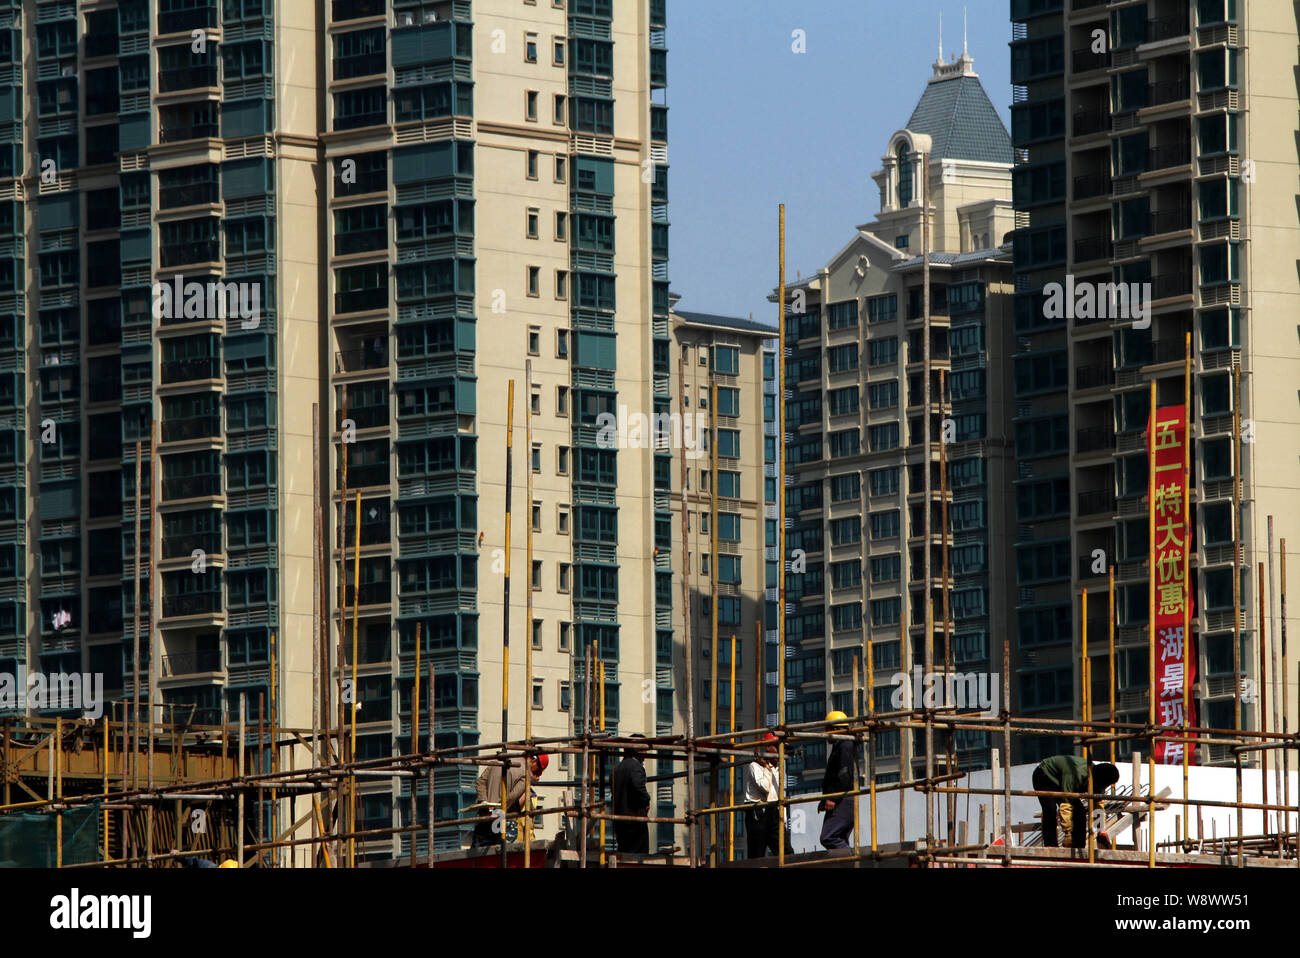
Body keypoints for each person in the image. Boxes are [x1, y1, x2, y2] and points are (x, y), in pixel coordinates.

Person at [1032, 755, 1119, 848]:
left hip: (1061, 780)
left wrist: (1101, 830)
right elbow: (1066, 804)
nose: (1104, 788)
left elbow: (1097, 806)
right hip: (1044, 775)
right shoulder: (1075, 774)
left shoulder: (1100, 783)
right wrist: (1068, 834)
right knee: (1050, 809)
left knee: (1080, 811)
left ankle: (1079, 846)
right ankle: (1051, 845)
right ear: (1097, 779)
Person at [471, 752, 548, 847]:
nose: (536, 774)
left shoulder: (498, 761)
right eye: (538, 770)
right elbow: (512, 798)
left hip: (484, 817)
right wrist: (498, 809)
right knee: (499, 855)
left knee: (478, 855)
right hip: (501, 821)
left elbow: (480, 782)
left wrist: (484, 802)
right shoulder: (526, 775)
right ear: (534, 761)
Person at [744, 732, 791, 858]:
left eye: (782, 748)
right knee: (757, 854)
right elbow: (765, 787)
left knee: (786, 852)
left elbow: (780, 794)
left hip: (774, 812)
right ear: (768, 747)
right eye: (777, 747)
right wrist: (766, 767)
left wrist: (784, 819)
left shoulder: (778, 768)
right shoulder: (755, 766)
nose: (780, 751)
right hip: (757, 812)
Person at [818, 711, 856, 850]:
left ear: (834, 729)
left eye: (827, 729)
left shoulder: (845, 744)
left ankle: (851, 861)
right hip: (842, 798)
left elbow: (843, 775)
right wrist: (825, 798)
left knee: (829, 837)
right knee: (839, 837)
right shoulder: (840, 744)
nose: (825, 733)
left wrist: (832, 798)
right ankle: (848, 862)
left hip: (843, 799)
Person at [611, 734, 652, 853]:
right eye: (644, 749)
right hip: (634, 819)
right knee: (639, 854)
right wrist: (646, 801)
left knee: (625, 852)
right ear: (638, 749)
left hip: (619, 819)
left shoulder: (617, 769)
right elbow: (638, 786)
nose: (646, 755)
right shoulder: (635, 767)